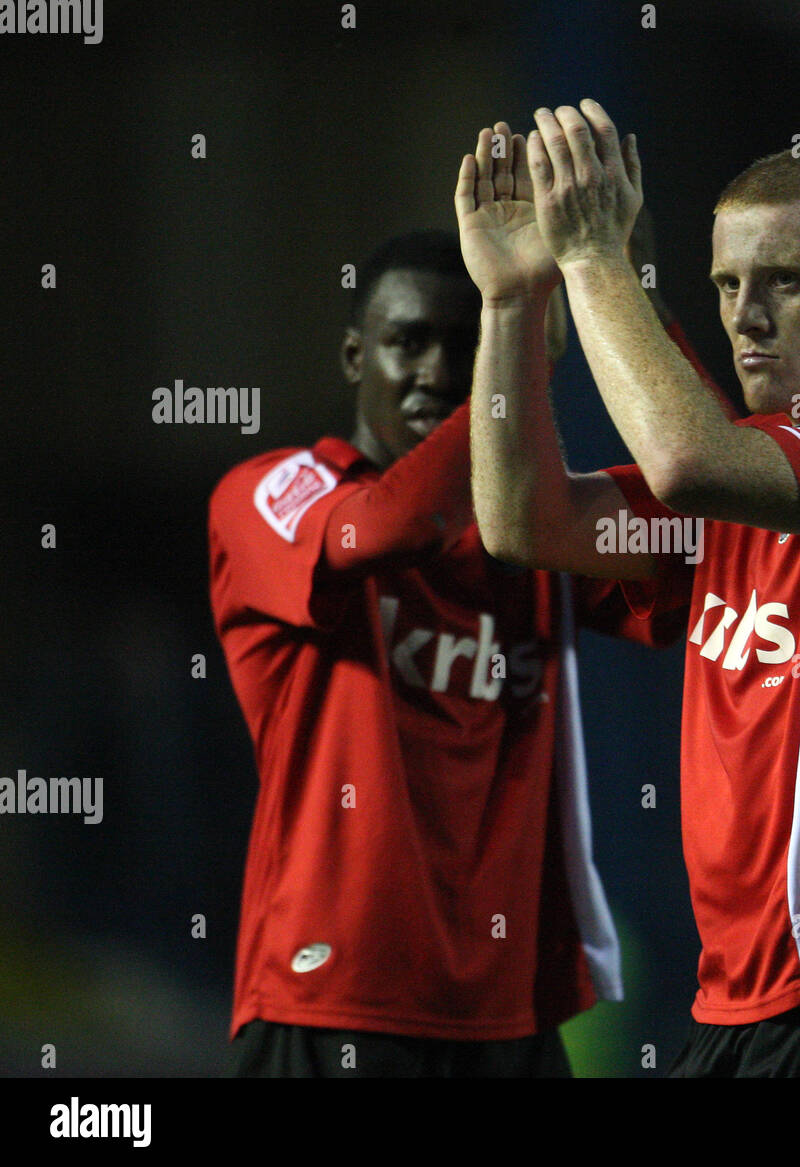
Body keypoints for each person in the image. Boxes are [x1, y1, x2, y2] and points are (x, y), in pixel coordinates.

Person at [457, 102, 800, 1077]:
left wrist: (593, 258)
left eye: (785, 281)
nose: (744, 317)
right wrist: (510, 303)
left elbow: (683, 458)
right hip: (736, 1010)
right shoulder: (745, 480)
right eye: (724, 284)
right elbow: (523, 522)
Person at [207, 221, 704, 1077]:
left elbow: (705, 540)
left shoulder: (528, 530)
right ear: (355, 356)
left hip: (508, 1019)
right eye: (408, 342)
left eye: (465, 344)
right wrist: (517, 344)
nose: (437, 371)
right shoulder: (272, 495)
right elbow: (384, 527)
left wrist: (624, 278)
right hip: (334, 1006)